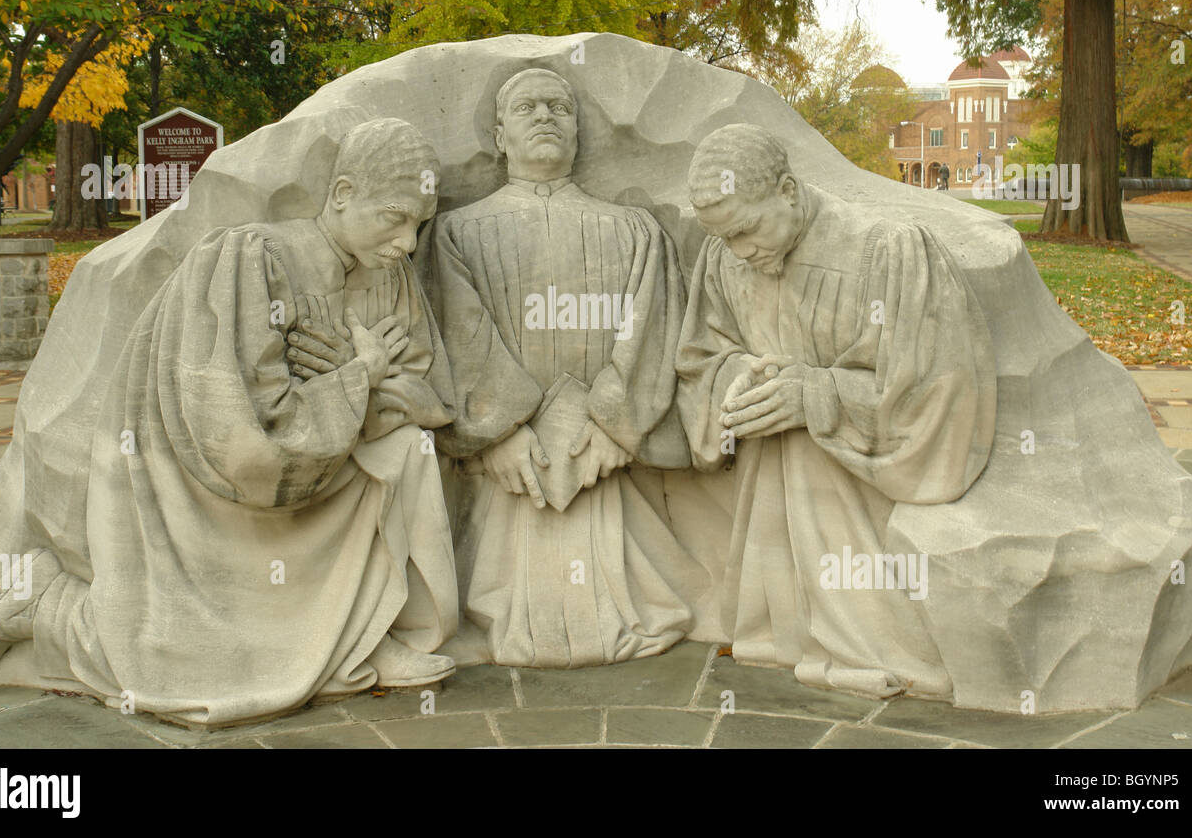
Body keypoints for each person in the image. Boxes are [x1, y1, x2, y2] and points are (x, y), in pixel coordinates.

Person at [0, 118, 461, 727]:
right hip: (206, 482)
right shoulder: (252, 258)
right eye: (395, 217)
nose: (407, 242)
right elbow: (243, 429)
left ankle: (365, 634)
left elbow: (430, 396)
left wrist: (354, 379)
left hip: (334, 457)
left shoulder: (392, 276)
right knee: (190, 662)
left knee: (410, 452)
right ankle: (52, 611)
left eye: (419, 225)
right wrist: (359, 378)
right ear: (342, 193)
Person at [675, 123, 996, 698]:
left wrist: (817, 396)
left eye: (748, 229)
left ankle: (867, 636)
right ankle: (785, 624)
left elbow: (938, 387)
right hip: (768, 478)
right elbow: (702, 357)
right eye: (723, 238)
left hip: (851, 481)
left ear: (788, 191)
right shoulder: (724, 261)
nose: (739, 251)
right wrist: (737, 381)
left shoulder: (885, 250)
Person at [416, 68, 705, 668]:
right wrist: (493, 433)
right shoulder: (455, 233)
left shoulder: (634, 230)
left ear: (579, 130)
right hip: (509, 461)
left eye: (559, 106)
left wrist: (616, 424)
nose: (545, 116)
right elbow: (455, 336)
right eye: (526, 108)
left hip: (600, 452)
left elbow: (652, 331)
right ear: (498, 135)